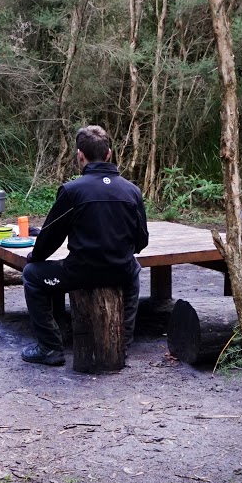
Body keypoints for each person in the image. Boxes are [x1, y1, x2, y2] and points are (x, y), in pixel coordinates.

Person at [20, 125, 149, 366]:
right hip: (120, 270)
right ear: (109, 154)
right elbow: (141, 241)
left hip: (79, 273)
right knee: (134, 270)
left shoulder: (72, 191)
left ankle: (50, 347)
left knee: (31, 275)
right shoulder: (132, 191)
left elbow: (50, 237)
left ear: (80, 155)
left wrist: (34, 257)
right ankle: (124, 344)